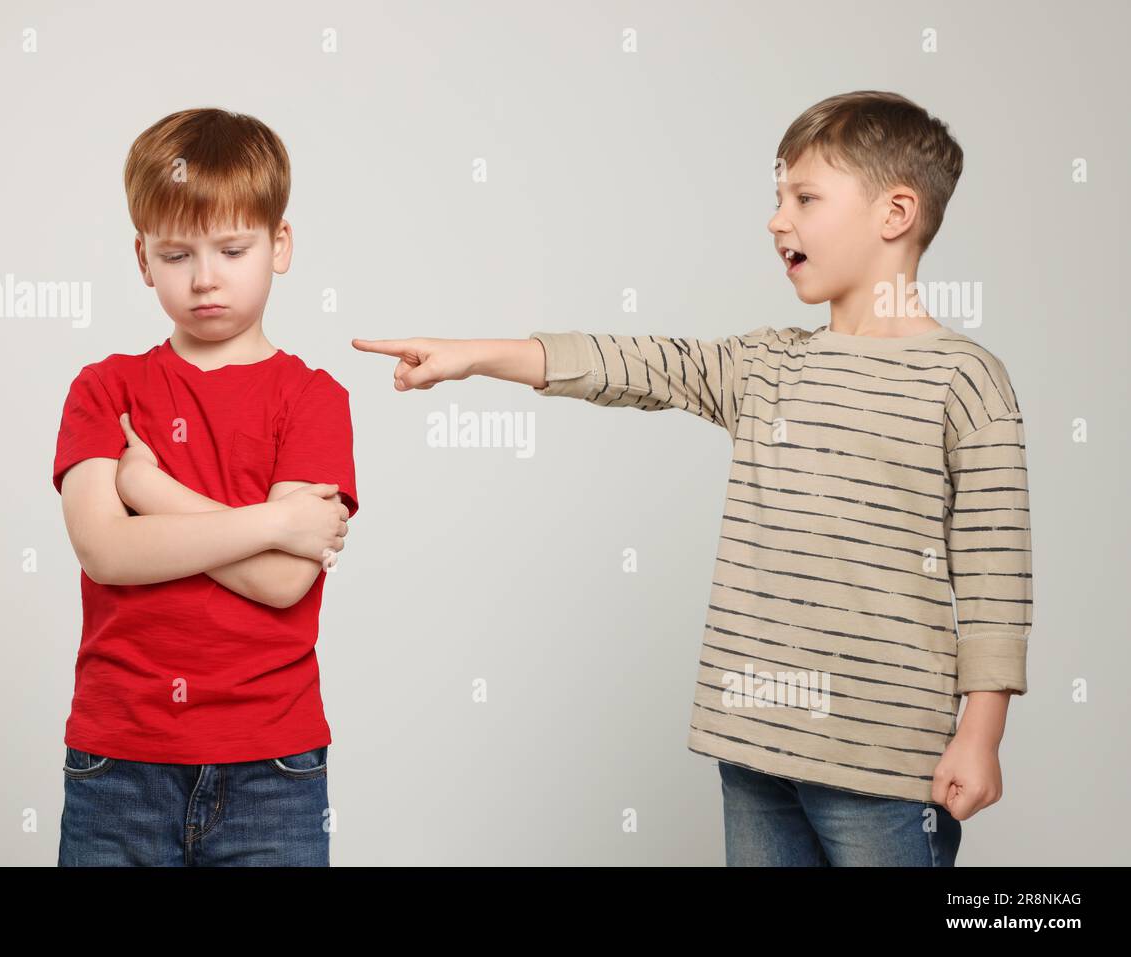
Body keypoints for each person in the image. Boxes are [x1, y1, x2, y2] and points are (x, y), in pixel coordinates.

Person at [353, 91, 1031, 866]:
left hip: (884, 766)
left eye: (805, 197)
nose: (778, 220)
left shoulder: (964, 381)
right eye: (777, 197)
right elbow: (636, 364)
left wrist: (980, 735)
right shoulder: (767, 363)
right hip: (752, 747)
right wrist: (477, 354)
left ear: (895, 212)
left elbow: (995, 576)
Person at [52, 108, 357, 866]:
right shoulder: (104, 387)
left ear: (278, 245)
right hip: (117, 762)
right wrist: (273, 520)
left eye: (232, 248)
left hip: (273, 770)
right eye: (177, 253)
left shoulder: (315, 398)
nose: (206, 277)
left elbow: (285, 579)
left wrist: (151, 490)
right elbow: (106, 551)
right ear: (142, 258)